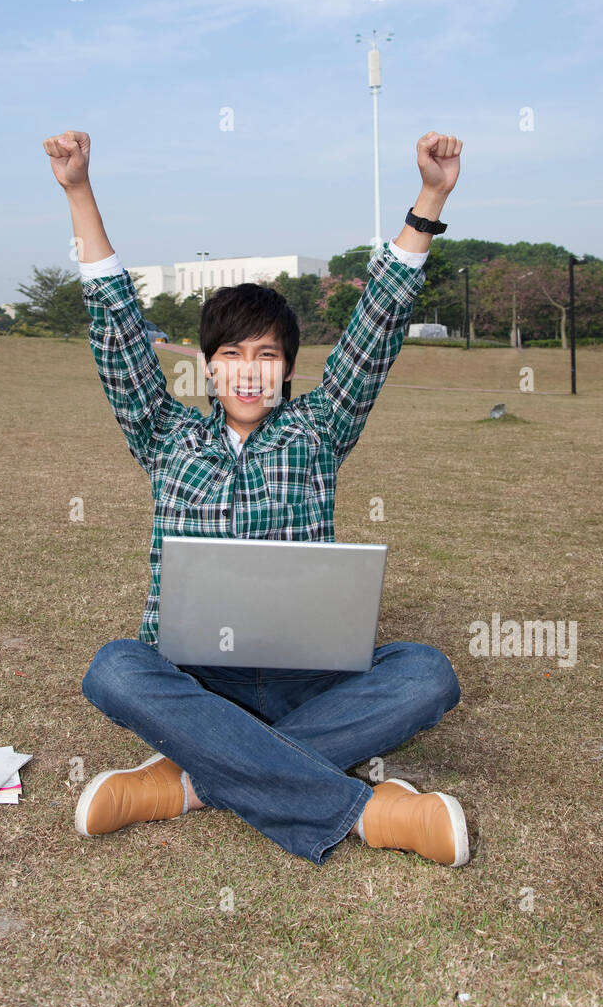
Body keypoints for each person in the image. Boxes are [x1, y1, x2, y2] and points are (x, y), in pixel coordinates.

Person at [43, 126, 468, 868]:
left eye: (267, 356)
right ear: (207, 369)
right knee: (113, 669)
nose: (249, 371)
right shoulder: (166, 436)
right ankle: (369, 812)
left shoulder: (319, 429)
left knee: (427, 675)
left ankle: (193, 780)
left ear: (288, 370)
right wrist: (79, 191)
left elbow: (378, 325)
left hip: (312, 679)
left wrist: (430, 197)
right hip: (197, 677)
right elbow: (116, 328)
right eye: (232, 356)